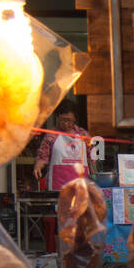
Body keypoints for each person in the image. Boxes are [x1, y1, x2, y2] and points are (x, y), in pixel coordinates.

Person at [32, 100, 92, 249]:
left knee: (81, 219)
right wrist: (38, 166)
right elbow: (43, 154)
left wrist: (95, 171)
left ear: (75, 120)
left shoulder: (83, 135)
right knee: (63, 220)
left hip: (80, 183)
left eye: (70, 120)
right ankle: (63, 253)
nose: (67, 124)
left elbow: (92, 156)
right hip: (60, 184)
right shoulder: (51, 136)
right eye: (64, 120)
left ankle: (79, 251)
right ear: (58, 118)